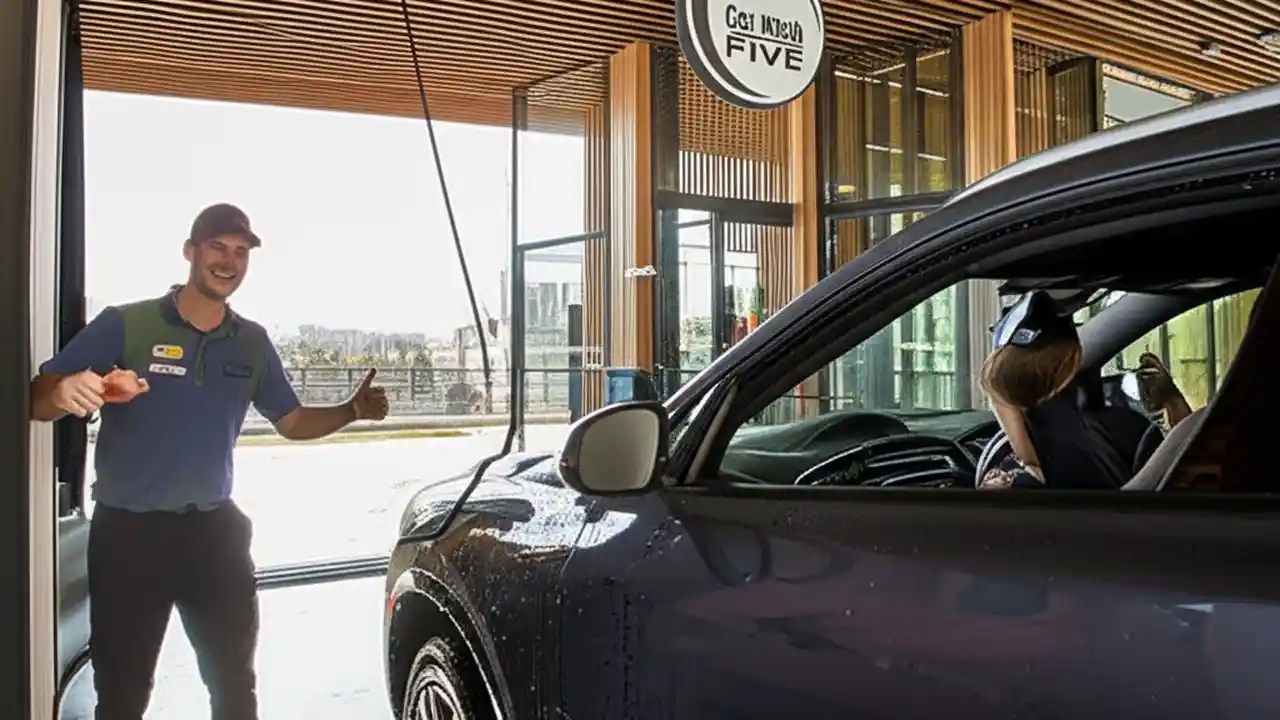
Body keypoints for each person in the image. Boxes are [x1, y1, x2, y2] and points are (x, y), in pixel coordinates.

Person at [28, 203, 390, 720]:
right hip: (128, 535)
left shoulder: (252, 341)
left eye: (241, 252)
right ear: (190, 252)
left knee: (235, 688)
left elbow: (290, 421)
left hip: (214, 535)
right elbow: (37, 396)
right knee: (123, 693)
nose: (229, 261)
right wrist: (64, 390)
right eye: (218, 247)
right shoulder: (125, 325)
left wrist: (351, 410)